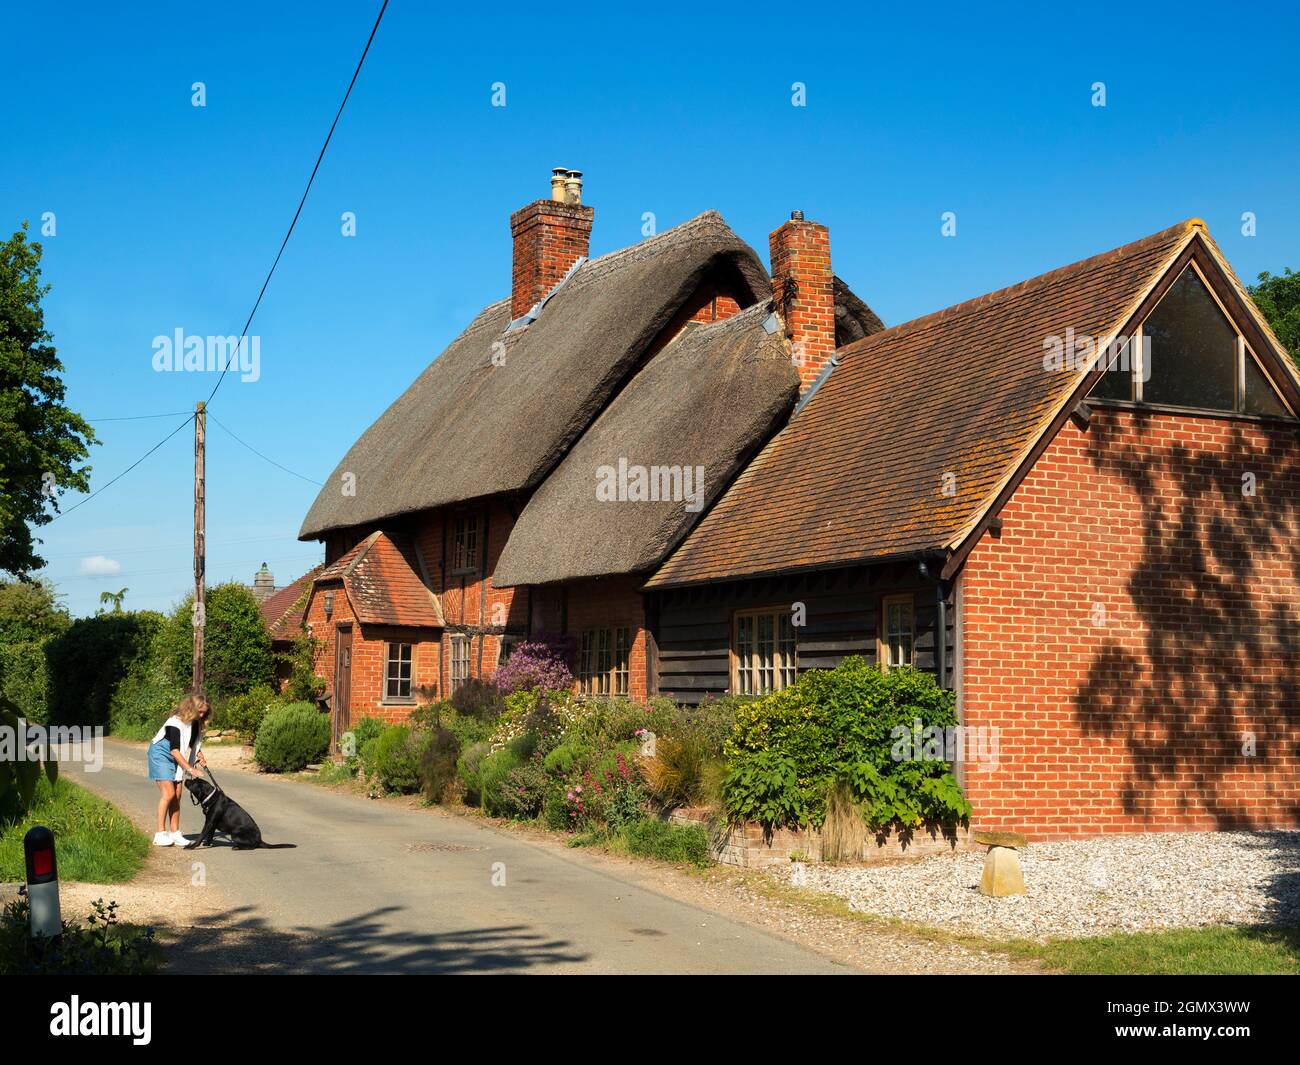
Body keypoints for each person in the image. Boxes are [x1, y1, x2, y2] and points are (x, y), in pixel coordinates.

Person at [146, 693, 210, 846]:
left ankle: (175, 833)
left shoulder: (195, 723)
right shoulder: (174, 722)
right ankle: (160, 834)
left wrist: (199, 754)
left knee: (177, 795)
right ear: (191, 708)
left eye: (204, 712)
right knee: (168, 793)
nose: (202, 715)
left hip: (175, 755)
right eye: (199, 711)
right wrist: (190, 769)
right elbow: (174, 750)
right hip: (161, 754)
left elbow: (190, 744)